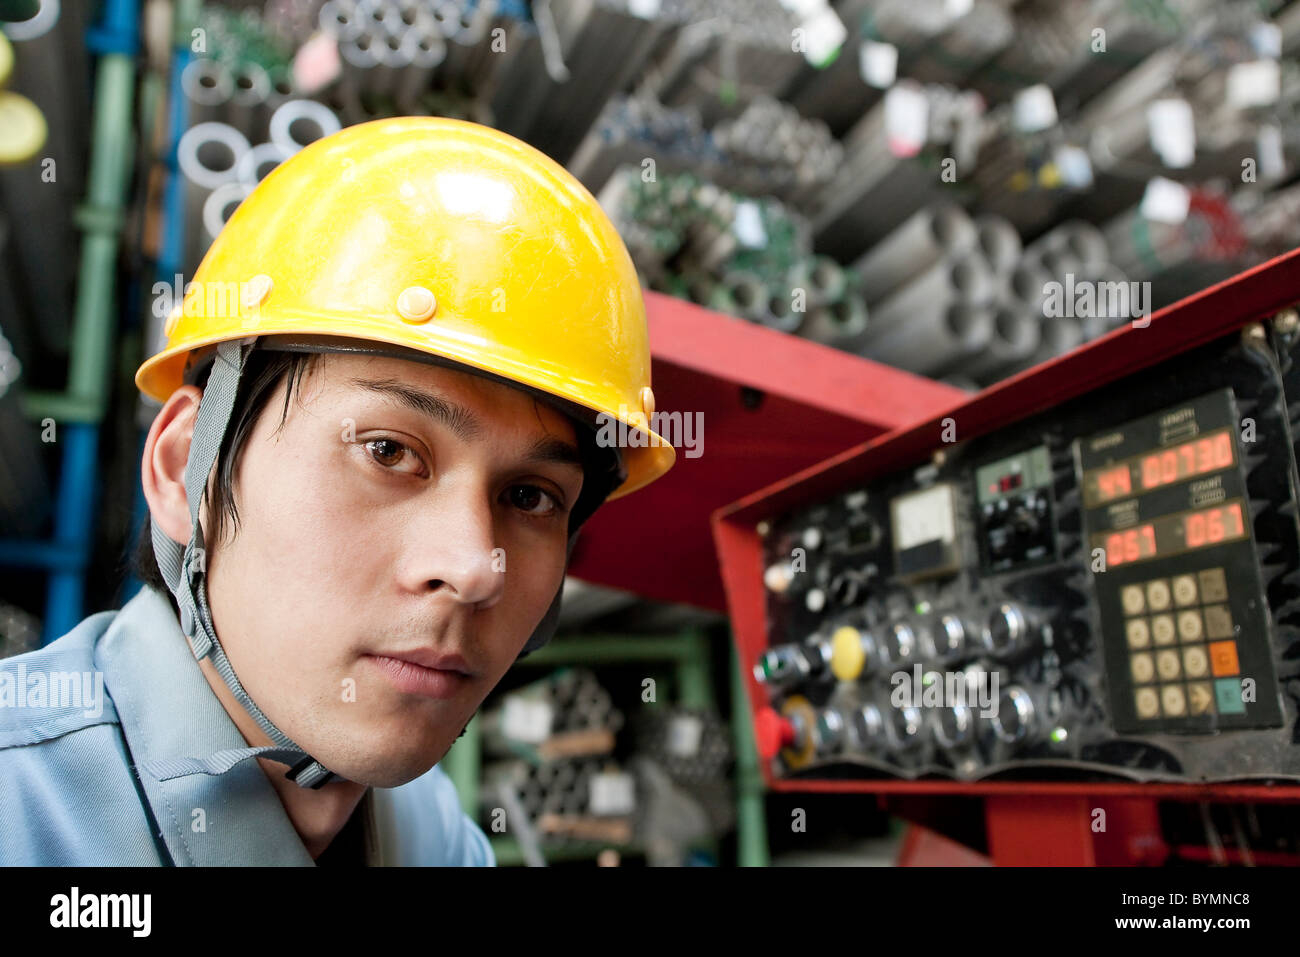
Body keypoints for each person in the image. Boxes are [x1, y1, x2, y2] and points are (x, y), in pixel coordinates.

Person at [0, 117, 676, 865]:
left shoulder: (434, 838)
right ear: (183, 466)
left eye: (531, 497)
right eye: (388, 451)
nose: (475, 568)